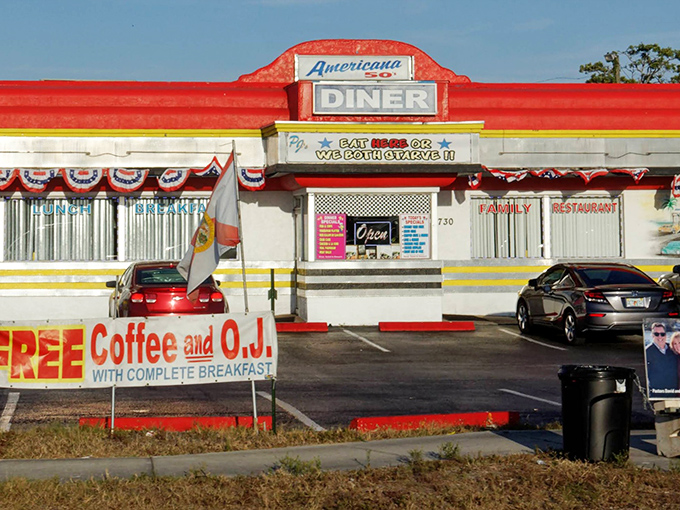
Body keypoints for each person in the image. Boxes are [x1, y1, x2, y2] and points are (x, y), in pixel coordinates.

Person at [645, 322, 679, 399]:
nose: (660, 337)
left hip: (675, 394)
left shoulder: (673, 348)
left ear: (666, 335)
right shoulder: (647, 352)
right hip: (657, 395)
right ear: (652, 335)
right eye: (656, 334)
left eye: (662, 334)